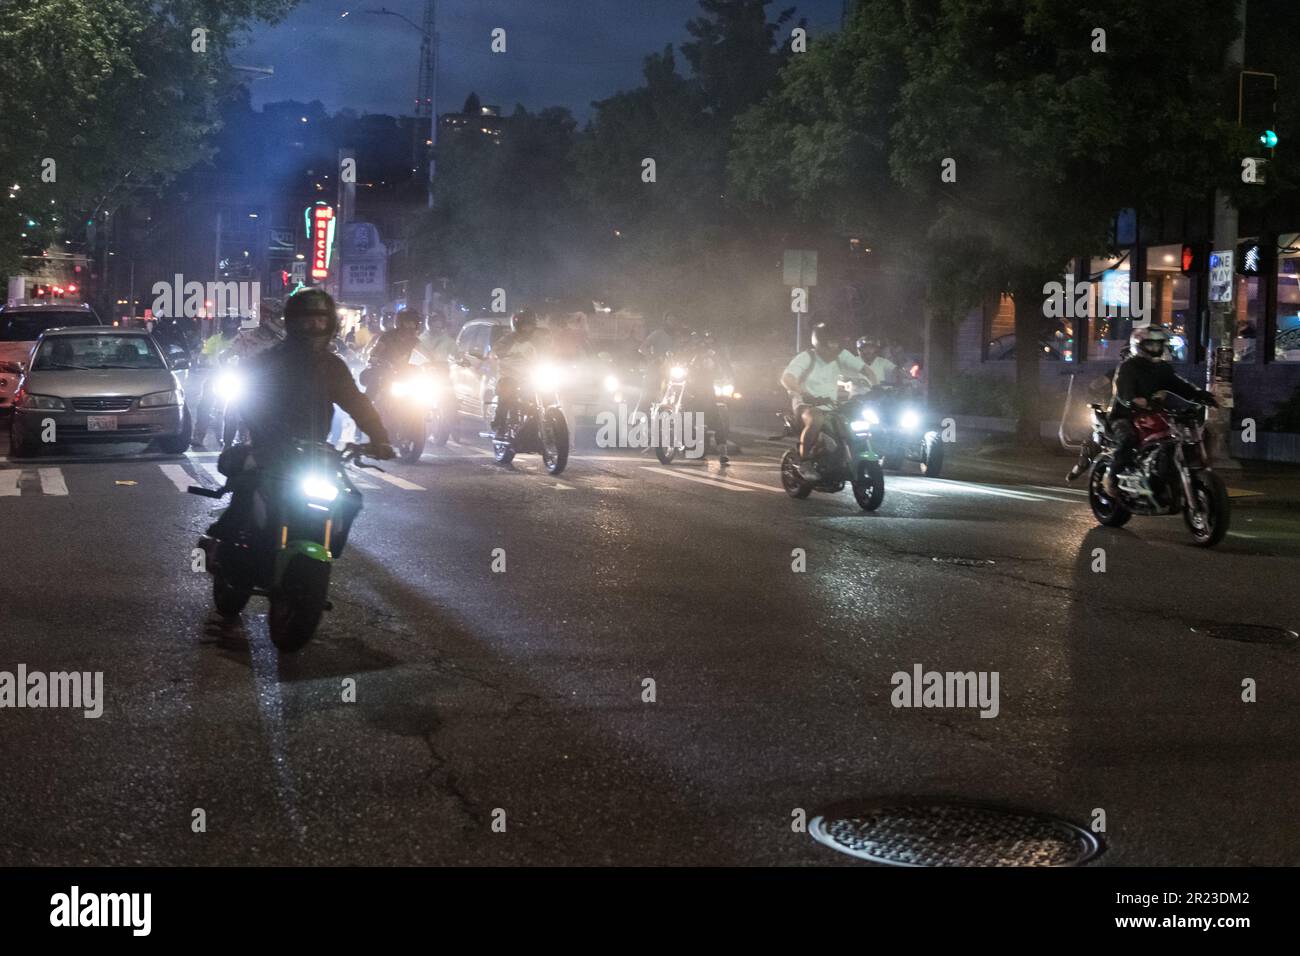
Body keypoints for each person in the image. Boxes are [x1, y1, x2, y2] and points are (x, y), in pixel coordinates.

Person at [206, 289, 393, 557]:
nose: (315, 326)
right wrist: (267, 434)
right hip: (270, 449)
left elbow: (357, 403)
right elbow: (248, 401)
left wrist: (380, 438)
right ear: (293, 322)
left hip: (315, 452)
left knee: (350, 499)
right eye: (308, 320)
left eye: (321, 320)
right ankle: (222, 543)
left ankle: (326, 550)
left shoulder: (333, 366)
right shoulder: (269, 361)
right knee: (250, 488)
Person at [1103, 325, 1217, 497]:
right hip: (1125, 415)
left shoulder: (1162, 368)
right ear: (1139, 345)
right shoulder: (1128, 367)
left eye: (1158, 345)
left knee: (1175, 439)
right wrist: (1132, 400)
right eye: (1151, 345)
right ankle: (1111, 478)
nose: (1155, 349)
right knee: (1128, 438)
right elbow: (1124, 390)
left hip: (1154, 415)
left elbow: (1179, 386)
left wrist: (1201, 396)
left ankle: (1165, 476)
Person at [779, 322, 872, 482]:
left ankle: (844, 455)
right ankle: (805, 462)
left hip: (832, 405)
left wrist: (875, 387)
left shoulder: (841, 356)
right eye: (829, 346)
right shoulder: (806, 357)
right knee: (816, 418)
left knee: (857, 416)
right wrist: (803, 393)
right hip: (806, 405)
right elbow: (786, 378)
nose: (832, 350)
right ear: (819, 344)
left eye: (836, 346)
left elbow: (865, 370)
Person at [490, 309, 544, 435]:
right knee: (507, 394)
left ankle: (550, 425)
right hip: (509, 375)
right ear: (518, 326)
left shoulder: (538, 340)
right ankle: (499, 424)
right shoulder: (508, 339)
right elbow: (496, 350)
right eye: (525, 325)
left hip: (531, 375)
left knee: (547, 392)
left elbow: (549, 351)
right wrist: (501, 354)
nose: (527, 329)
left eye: (530, 325)